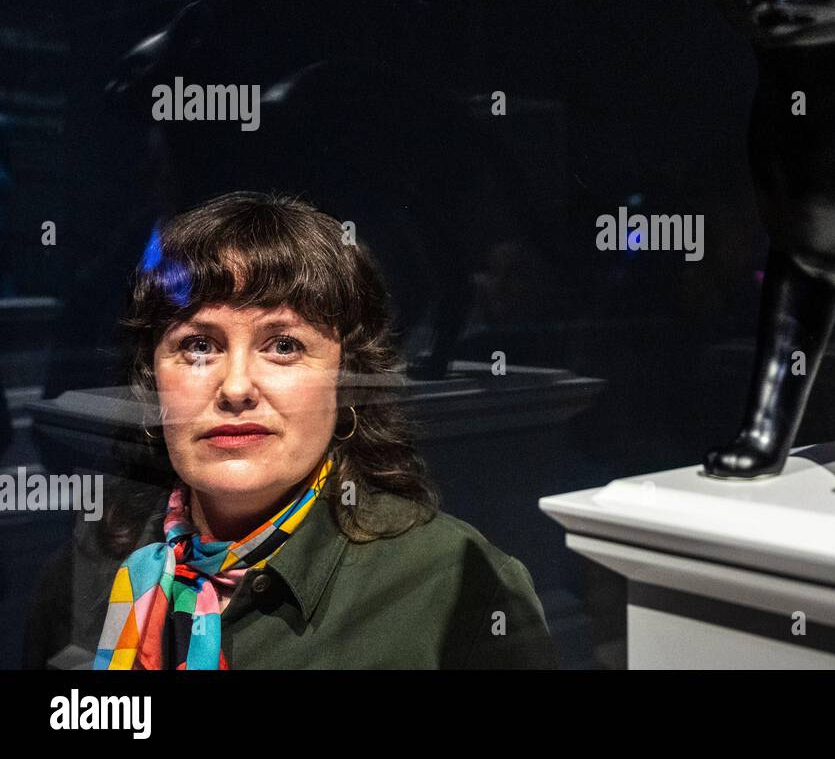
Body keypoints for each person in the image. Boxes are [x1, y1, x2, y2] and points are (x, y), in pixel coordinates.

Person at [23, 190, 557, 669]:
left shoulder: (456, 586)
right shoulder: (91, 563)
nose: (236, 388)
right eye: (199, 346)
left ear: (347, 381)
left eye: (284, 346)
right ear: (153, 379)